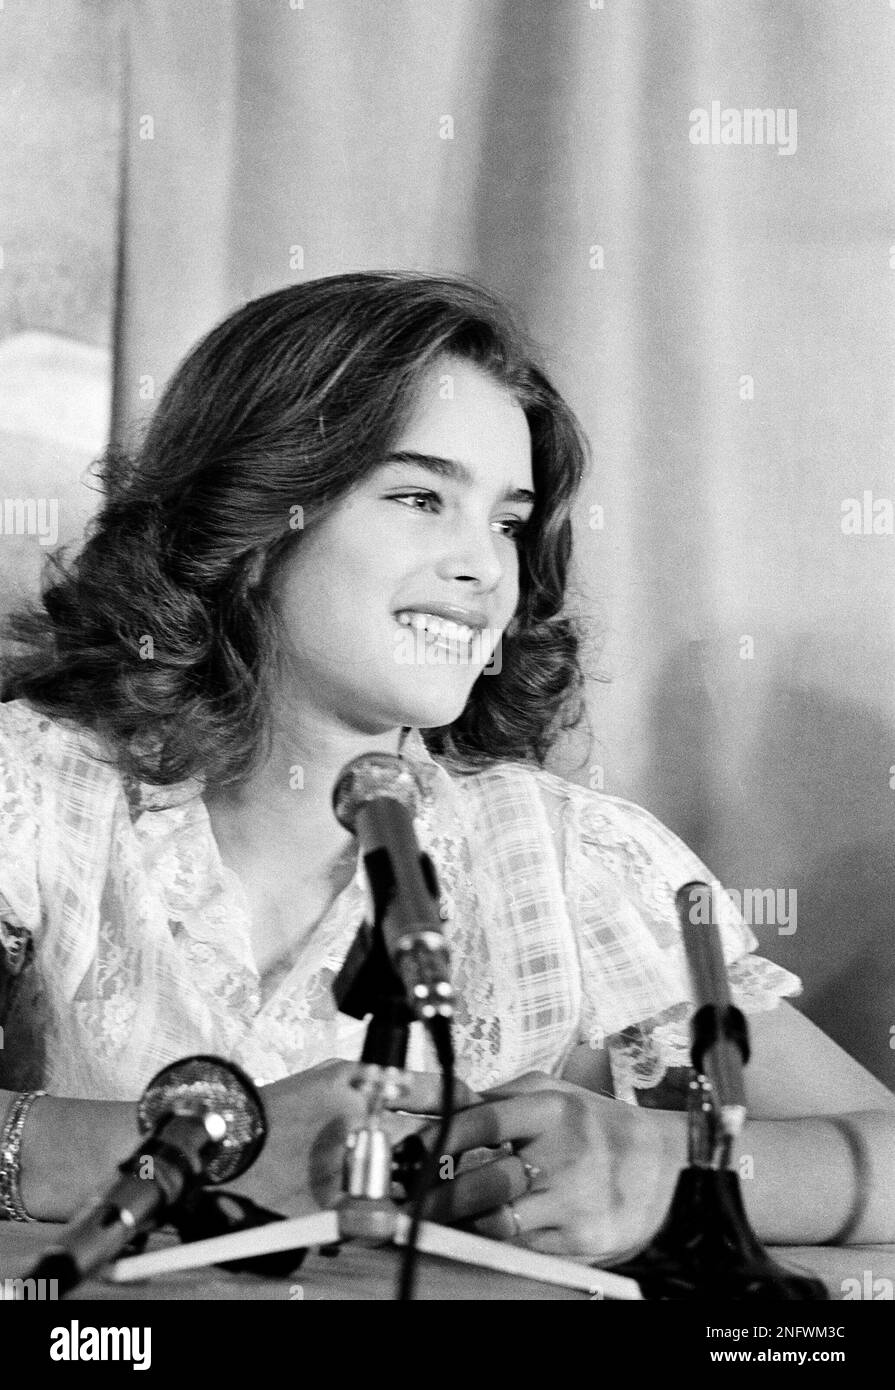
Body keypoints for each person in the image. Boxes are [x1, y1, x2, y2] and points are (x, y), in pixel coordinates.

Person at [0, 273, 892, 1262]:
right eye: (421, 497)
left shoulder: (568, 852)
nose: (485, 567)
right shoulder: (41, 789)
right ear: (253, 524)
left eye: (506, 520)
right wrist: (193, 1150)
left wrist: (670, 1166)